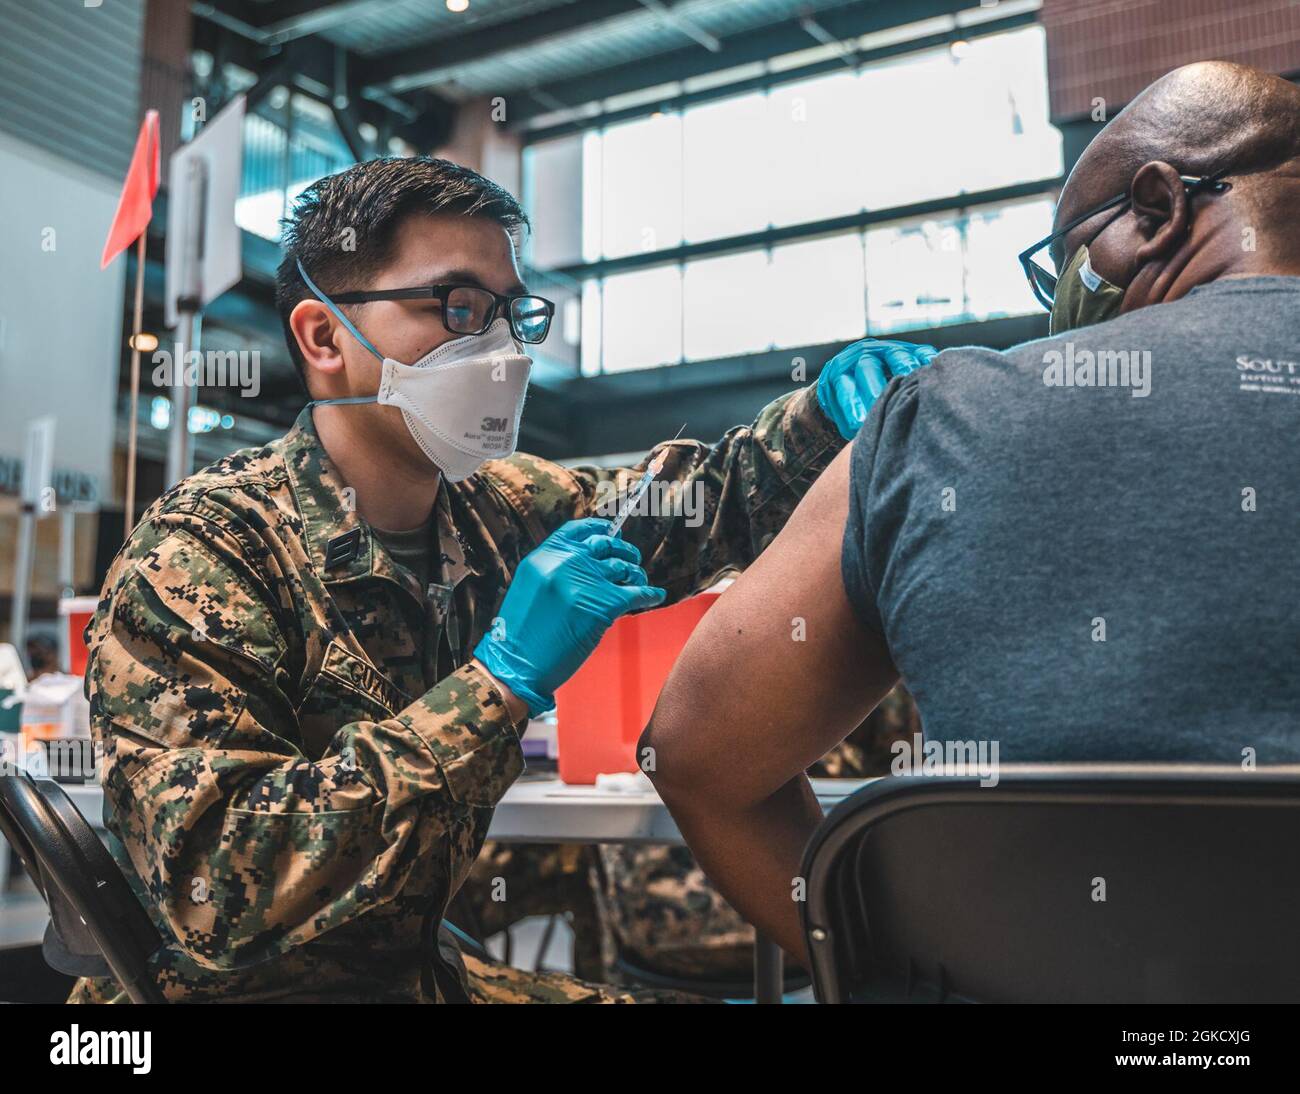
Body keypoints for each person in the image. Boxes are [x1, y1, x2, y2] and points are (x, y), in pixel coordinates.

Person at [70, 155, 934, 1003]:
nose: (498, 348)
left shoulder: (500, 507)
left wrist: (819, 421)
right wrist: (498, 683)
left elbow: (686, 514)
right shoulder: (205, 553)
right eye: (454, 306)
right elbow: (216, 888)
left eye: (511, 314)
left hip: (411, 972)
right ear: (324, 335)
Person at [641, 61, 1300, 965]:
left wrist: (896, 977)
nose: (1063, 302)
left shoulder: (943, 420)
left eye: (1065, 262)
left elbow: (693, 758)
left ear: (1156, 210)